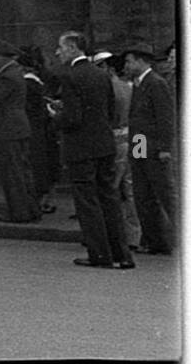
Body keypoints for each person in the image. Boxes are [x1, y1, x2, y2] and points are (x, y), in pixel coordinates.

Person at [52, 30, 134, 269]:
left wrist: (57, 116)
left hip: (81, 147)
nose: (58, 52)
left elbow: (73, 118)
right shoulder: (101, 75)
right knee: (109, 198)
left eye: (61, 47)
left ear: (74, 48)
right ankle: (122, 254)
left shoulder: (70, 76)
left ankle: (99, 254)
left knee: (87, 202)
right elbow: (108, 110)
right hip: (103, 143)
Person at [124, 42, 175, 256]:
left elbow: (165, 118)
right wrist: (135, 151)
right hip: (140, 142)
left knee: (164, 193)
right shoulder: (138, 83)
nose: (126, 65)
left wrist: (165, 147)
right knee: (143, 194)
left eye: (129, 61)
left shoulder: (155, 83)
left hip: (153, 145)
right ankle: (155, 241)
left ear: (140, 60)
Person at [0, 38, 39, 223]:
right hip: (18, 127)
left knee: (12, 173)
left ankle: (19, 212)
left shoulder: (6, 76)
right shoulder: (15, 72)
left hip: (8, 129)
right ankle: (30, 209)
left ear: (4, 58)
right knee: (22, 171)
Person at [94, 51, 140, 249]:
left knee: (110, 187)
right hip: (130, 137)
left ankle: (114, 235)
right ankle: (135, 234)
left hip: (112, 139)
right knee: (130, 188)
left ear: (107, 68)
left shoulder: (106, 89)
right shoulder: (129, 87)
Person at [21, 45, 59, 217]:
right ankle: (48, 199)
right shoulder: (43, 80)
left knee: (38, 165)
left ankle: (38, 201)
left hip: (36, 130)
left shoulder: (29, 84)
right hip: (46, 129)